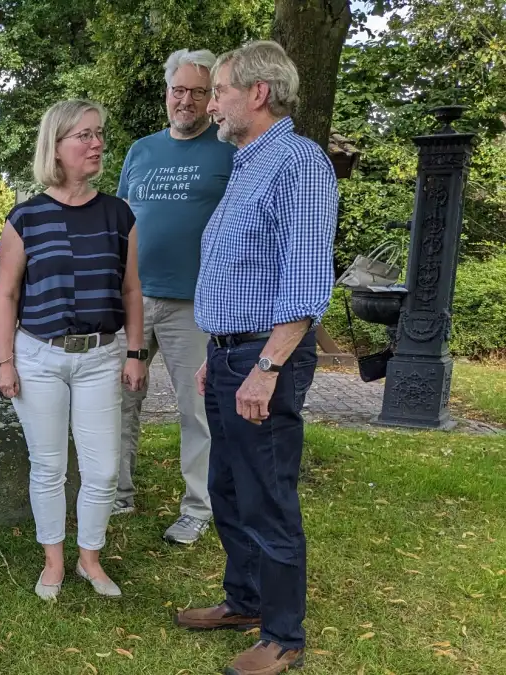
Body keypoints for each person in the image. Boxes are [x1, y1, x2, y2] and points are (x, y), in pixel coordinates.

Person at [174, 41, 336, 675]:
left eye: (218, 91)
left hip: (264, 359)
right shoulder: (248, 162)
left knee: (268, 494)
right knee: (227, 486)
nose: (210, 103)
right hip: (231, 354)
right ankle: (242, 601)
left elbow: (304, 283)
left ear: (258, 93)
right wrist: (219, 354)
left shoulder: (297, 163)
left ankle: (283, 636)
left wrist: (265, 368)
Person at [0, 99, 147, 601]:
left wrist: (135, 352)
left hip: (102, 356)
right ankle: (54, 561)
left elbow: (131, 290)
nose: (97, 143)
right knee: (49, 466)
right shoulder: (26, 218)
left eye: (99, 134)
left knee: (102, 468)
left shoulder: (119, 214)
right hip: (38, 357)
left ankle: (91, 558)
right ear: (56, 147)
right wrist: (4, 361)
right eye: (84, 135)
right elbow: (8, 296)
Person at [114, 48, 236, 545]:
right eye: (178, 90)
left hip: (194, 304)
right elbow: (121, 221)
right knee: (122, 399)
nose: (186, 99)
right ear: (166, 93)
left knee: (196, 408)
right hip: (137, 299)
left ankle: (197, 507)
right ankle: (117, 493)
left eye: (198, 92)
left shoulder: (229, 151)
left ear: (211, 100)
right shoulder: (140, 150)